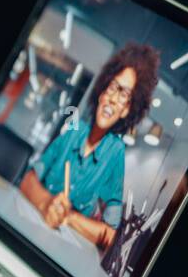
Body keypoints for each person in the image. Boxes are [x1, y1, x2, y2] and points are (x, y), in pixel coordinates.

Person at [18, 43, 160, 251]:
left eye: (124, 96)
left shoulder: (115, 152)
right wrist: (47, 204)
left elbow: (111, 236)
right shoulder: (74, 128)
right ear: (102, 92)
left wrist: (70, 217)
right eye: (112, 87)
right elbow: (28, 179)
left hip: (60, 250)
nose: (113, 99)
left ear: (127, 111)